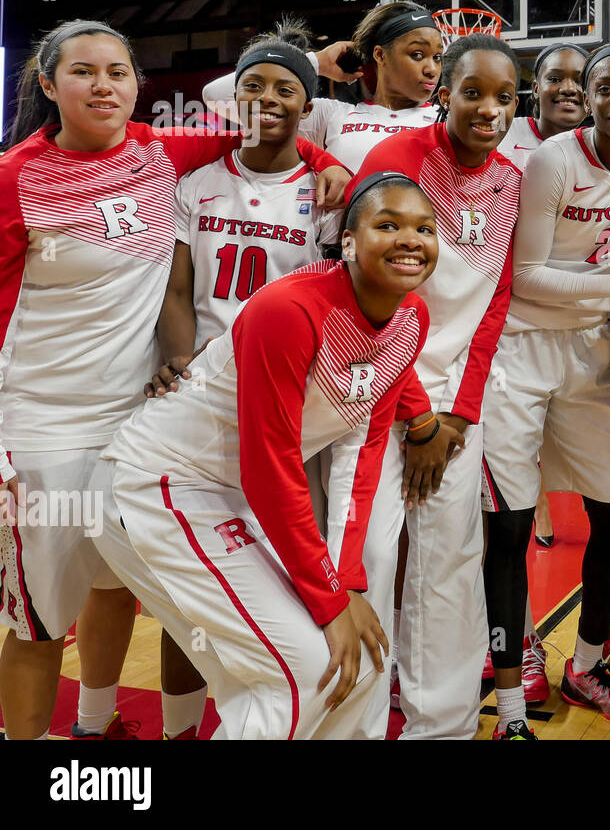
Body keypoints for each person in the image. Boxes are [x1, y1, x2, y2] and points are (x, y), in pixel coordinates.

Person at [0, 20, 346, 740]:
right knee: (36, 621)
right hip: (43, 430)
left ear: (138, 86)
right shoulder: (15, 178)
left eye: (119, 72)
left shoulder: (160, 154)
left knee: (116, 584)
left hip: (138, 424)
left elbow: (257, 129)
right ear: (46, 83)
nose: (103, 85)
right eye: (84, 72)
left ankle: (96, 726)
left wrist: (319, 149)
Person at [92, 175, 440, 739]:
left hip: (226, 496)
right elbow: (270, 468)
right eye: (388, 224)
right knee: (311, 671)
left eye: (424, 228)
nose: (410, 239)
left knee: (361, 666)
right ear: (348, 242)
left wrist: (347, 581)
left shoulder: (411, 320)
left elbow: (365, 449)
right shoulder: (291, 308)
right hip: (157, 485)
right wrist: (328, 601)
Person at [150, 33, 342, 740]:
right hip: (201, 400)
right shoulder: (196, 184)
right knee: (190, 589)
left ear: (306, 104)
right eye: (252, 86)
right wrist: (175, 357)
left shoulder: (327, 197)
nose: (265, 99)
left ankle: (268, 718)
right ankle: (177, 731)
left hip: (287, 409)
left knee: (277, 578)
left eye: (284, 88)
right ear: (233, 97)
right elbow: (178, 288)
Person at [482, 43, 610, 737]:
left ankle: (587, 662)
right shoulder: (553, 159)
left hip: (596, 355)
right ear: (584, 97)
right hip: (523, 349)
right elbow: (527, 275)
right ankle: (511, 692)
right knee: (507, 524)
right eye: (605, 87)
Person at [348, 33, 523, 741]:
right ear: (442, 92)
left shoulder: (513, 180)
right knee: (367, 557)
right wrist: (420, 418)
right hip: (374, 392)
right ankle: (350, 720)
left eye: (504, 96)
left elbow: (495, 304)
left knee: (449, 570)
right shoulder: (396, 161)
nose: (488, 108)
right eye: (472, 91)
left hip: (451, 413)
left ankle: (442, 727)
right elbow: (367, 294)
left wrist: (458, 414)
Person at [486, 40, 591, 707]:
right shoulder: (504, 142)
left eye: (580, 78)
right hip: (508, 351)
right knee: (511, 521)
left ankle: (594, 648)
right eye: (553, 76)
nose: (568, 87)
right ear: (534, 86)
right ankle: (519, 644)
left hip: (593, 354)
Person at [203, 0, 445, 174]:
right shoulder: (332, 115)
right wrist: (316, 63)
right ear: (380, 55)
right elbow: (216, 96)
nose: (431, 69)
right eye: (417, 55)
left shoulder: (447, 120)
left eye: (437, 57)